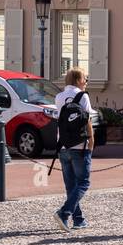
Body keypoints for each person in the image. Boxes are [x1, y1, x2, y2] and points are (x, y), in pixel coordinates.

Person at [52, 68, 94, 232]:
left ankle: (78, 219)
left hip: (62, 145)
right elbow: (87, 120)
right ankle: (64, 213)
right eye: (85, 79)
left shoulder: (59, 97)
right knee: (83, 182)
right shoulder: (83, 96)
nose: (86, 82)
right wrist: (91, 141)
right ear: (78, 80)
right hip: (80, 145)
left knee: (71, 185)